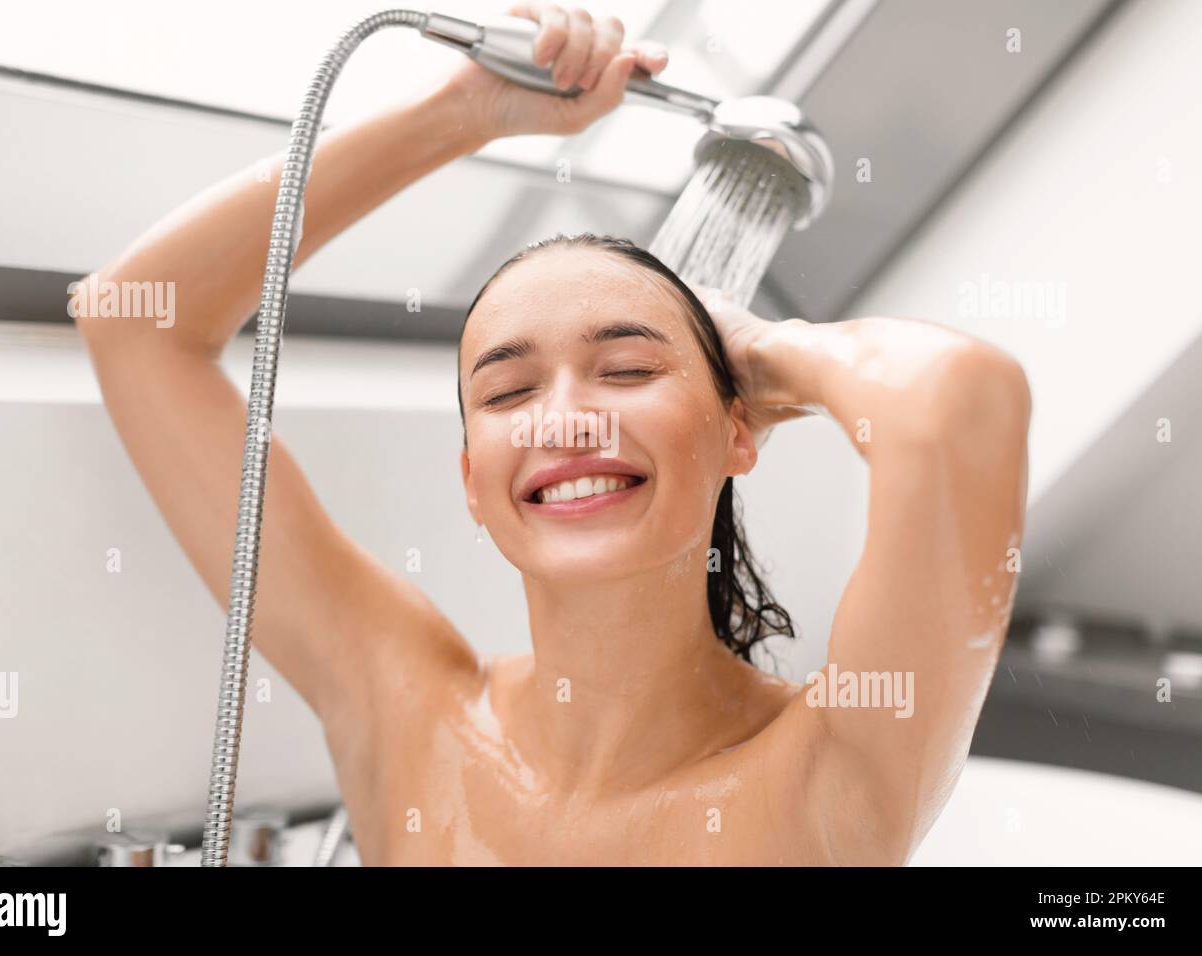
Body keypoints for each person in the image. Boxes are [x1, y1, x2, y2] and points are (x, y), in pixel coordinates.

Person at [73, 3, 1031, 865]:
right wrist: (459, 113)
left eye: (627, 370)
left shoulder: (830, 777)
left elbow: (961, 404)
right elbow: (132, 319)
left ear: (742, 431)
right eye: (509, 391)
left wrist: (771, 356)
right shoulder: (408, 712)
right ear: (471, 478)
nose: (568, 417)